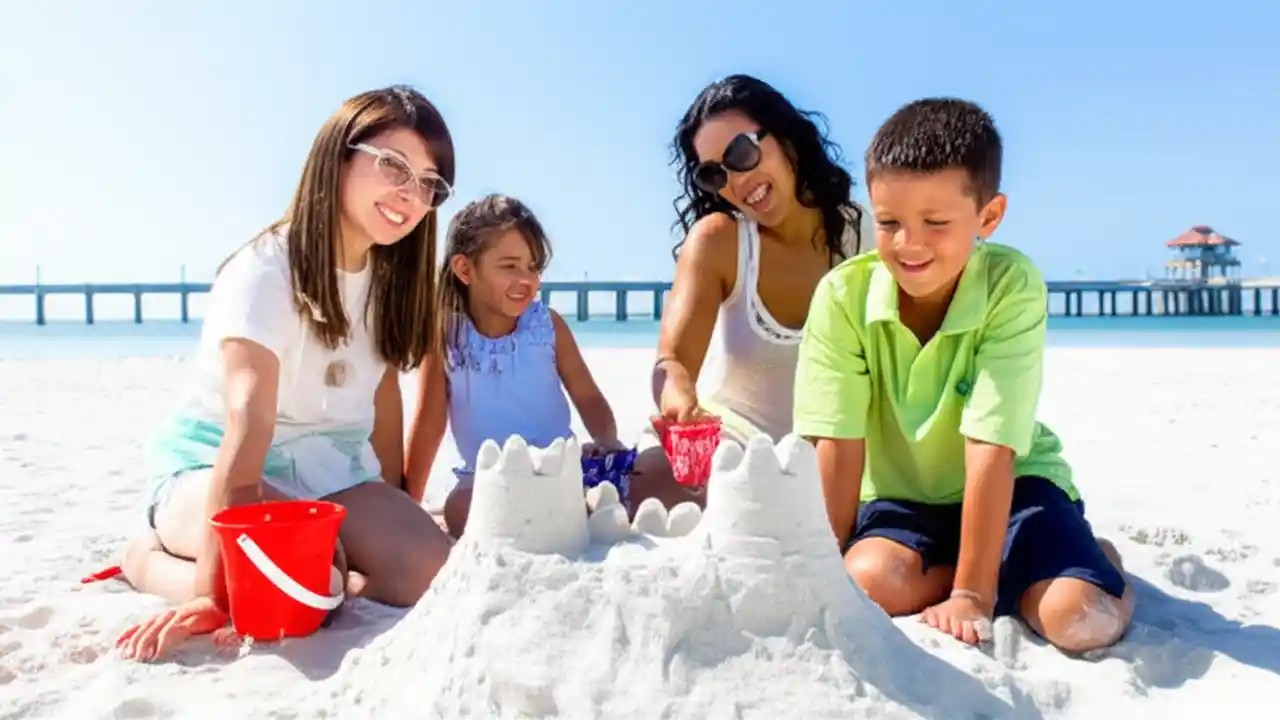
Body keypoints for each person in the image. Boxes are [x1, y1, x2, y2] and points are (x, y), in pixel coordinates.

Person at [115, 85, 457, 662]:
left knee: (433, 570)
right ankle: (146, 560)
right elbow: (246, 426)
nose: (411, 193)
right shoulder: (265, 270)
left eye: (428, 183)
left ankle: (326, 572)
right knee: (309, 584)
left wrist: (396, 499)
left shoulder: (390, 283)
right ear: (339, 156)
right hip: (217, 470)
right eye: (393, 165)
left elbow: (382, 397)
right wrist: (214, 596)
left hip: (332, 471)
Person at [793, 97, 1134, 652]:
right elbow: (837, 443)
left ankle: (1094, 561)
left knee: (1078, 619)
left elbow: (991, 444)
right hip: (904, 499)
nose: (909, 243)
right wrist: (824, 566)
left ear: (988, 217)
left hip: (1016, 487)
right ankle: (985, 564)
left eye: (936, 223)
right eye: (889, 223)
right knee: (865, 582)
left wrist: (973, 597)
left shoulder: (1011, 285)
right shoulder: (842, 297)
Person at [630, 74, 872, 511]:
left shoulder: (870, 234)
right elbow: (672, 363)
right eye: (713, 174)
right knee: (649, 477)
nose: (736, 181)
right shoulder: (719, 242)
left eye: (742, 153)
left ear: (787, 140)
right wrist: (681, 404)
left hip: (846, 451)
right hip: (737, 442)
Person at [404, 194, 623, 538]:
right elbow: (429, 423)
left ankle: (555, 515)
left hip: (555, 472)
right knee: (458, 507)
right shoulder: (444, 336)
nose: (526, 279)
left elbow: (588, 395)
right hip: (486, 478)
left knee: (641, 477)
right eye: (509, 266)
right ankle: (548, 521)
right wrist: (408, 503)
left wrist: (607, 439)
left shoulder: (546, 327)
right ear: (465, 269)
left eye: (534, 267)